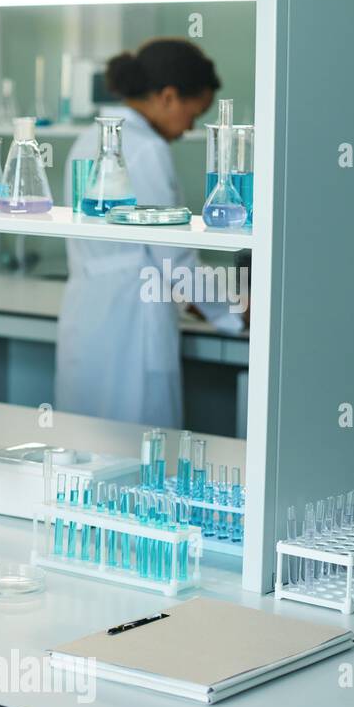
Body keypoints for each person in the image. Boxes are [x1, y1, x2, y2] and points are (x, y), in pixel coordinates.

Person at [56, 38, 246, 428]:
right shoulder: (145, 148)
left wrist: (193, 296)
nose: (191, 127)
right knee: (138, 455)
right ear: (168, 96)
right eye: (195, 113)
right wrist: (235, 311)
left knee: (81, 447)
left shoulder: (87, 139)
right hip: (133, 322)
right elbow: (174, 258)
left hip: (86, 314)